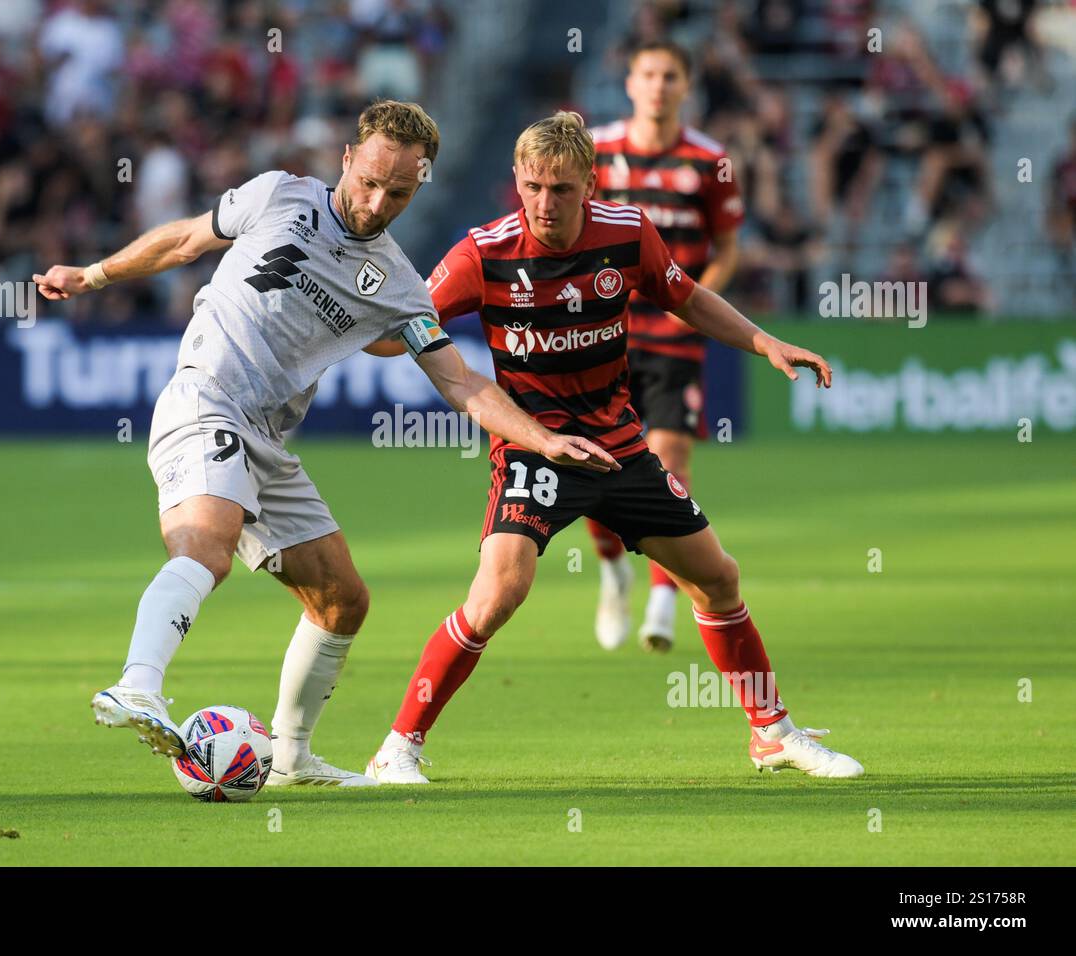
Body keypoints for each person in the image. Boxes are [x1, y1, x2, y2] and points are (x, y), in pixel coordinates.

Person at [32, 100, 616, 787]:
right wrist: (93, 275)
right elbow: (187, 241)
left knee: (343, 600)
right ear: (347, 158)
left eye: (398, 192)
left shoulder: (399, 285)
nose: (375, 202)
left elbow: (460, 381)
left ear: (420, 183)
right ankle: (138, 685)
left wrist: (541, 438)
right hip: (206, 401)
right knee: (207, 545)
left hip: (268, 442)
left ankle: (289, 757)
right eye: (368, 179)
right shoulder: (276, 193)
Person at [363, 112, 864, 782]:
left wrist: (764, 341)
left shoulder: (625, 235)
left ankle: (773, 734)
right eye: (533, 186)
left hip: (619, 447)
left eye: (561, 189)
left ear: (590, 186)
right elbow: (402, 329)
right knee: (497, 595)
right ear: (516, 179)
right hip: (534, 449)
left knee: (717, 578)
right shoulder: (481, 254)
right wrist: (355, 321)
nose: (544, 202)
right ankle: (399, 746)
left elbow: (686, 298)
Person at [587, 41, 744, 651]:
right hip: (600, 338)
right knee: (594, 467)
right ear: (630, 82)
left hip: (675, 335)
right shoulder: (596, 151)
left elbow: (728, 250)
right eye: (648, 74)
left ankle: (662, 595)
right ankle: (612, 570)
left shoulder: (710, 161)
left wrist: (694, 305)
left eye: (670, 75)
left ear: (687, 85)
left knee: (669, 459)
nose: (658, 85)